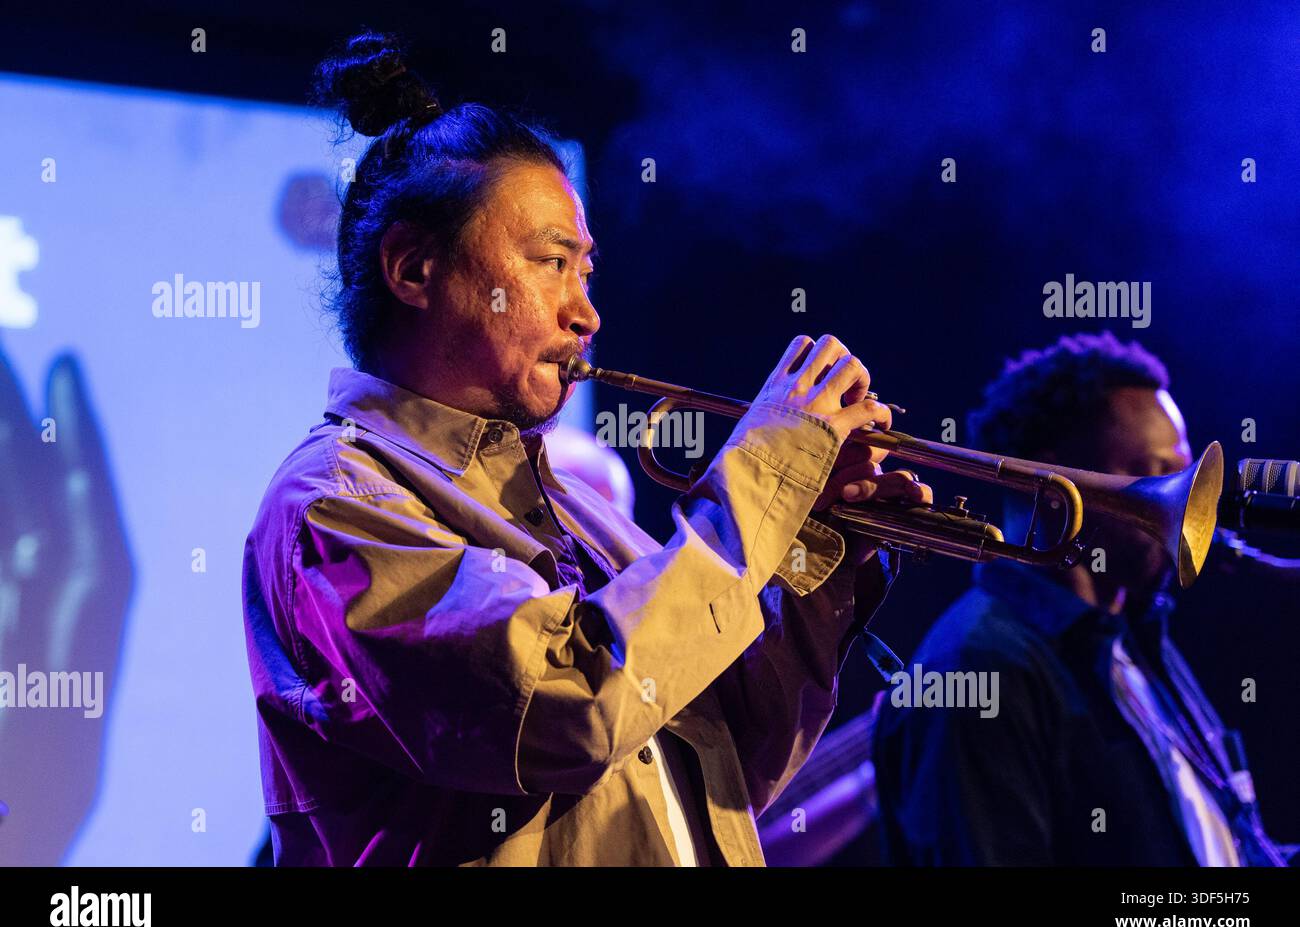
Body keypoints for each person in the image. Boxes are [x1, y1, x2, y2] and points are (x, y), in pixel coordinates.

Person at [241, 32, 930, 866]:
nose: (585, 312)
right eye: (551, 262)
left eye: (587, 271)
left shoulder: (576, 509)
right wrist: (765, 475)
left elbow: (729, 761)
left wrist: (815, 542)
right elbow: (566, 707)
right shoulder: (334, 503)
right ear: (415, 269)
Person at [873, 332, 1287, 866]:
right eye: (1157, 475)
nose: (1187, 512)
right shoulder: (979, 667)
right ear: (1053, 485)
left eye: (1184, 478)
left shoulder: (1132, 635)